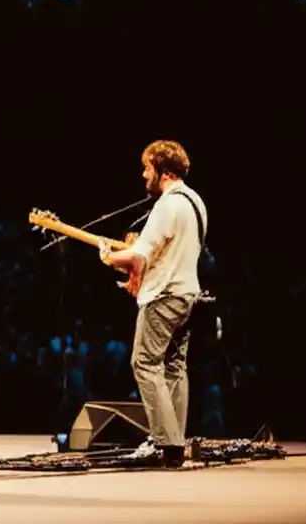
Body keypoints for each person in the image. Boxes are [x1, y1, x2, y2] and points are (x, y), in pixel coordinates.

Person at [100, 139, 204, 468]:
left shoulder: (167, 206)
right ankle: (174, 442)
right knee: (173, 367)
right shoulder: (195, 202)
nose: (144, 174)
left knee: (144, 362)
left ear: (162, 170)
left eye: (147, 168)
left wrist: (108, 257)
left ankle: (167, 442)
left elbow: (139, 256)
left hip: (164, 296)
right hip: (188, 294)